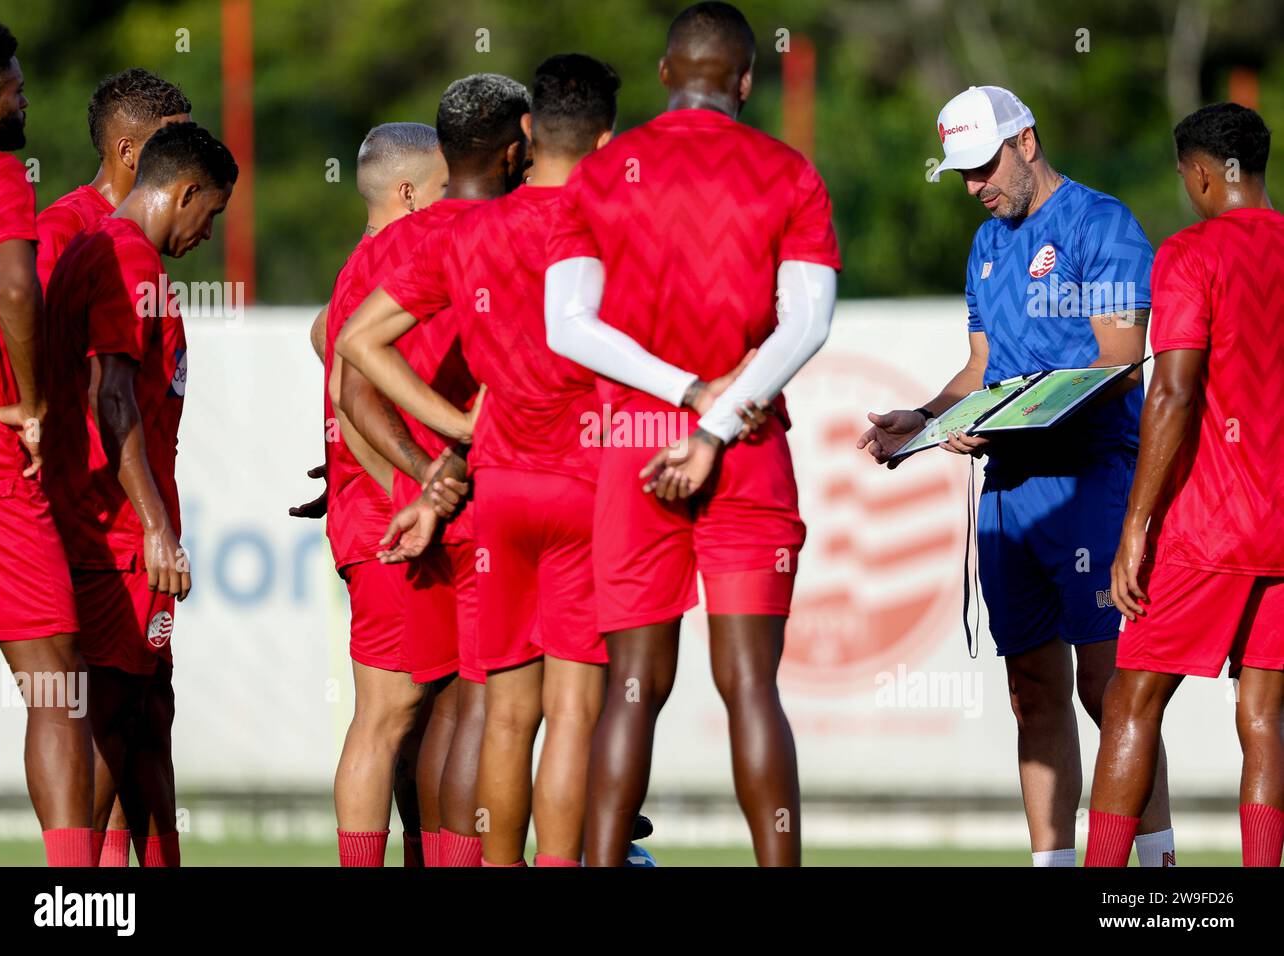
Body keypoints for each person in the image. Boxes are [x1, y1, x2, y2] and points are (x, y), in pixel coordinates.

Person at [541, 2, 841, 867]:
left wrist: (679, 395)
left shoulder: (601, 175)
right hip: (746, 445)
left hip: (632, 443)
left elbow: (568, 325)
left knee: (631, 691)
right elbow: (806, 328)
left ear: (667, 74)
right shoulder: (788, 172)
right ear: (746, 81)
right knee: (751, 685)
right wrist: (713, 420)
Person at [858, 84, 1174, 866]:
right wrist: (926, 419)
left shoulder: (1103, 224)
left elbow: (1119, 361)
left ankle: (1158, 866)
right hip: (1007, 489)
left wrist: (1010, 416)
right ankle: (1052, 862)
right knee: (1030, 689)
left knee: (1109, 691)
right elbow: (979, 368)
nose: (975, 187)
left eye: (983, 166)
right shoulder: (986, 243)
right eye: (961, 174)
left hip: (1090, 480)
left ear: (1026, 141)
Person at [335, 73, 530, 867]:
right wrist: (446, 446)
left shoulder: (377, 251)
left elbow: (338, 348)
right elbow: (351, 368)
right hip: (449, 501)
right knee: (464, 708)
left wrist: (365, 457)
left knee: (431, 710)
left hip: (402, 496)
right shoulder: (504, 231)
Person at [1086, 103, 1284, 868]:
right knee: (1265, 717)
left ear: (1202, 174)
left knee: (1130, 699)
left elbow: (1170, 393)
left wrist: (1136, 525)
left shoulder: (1190, 253)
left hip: (1209, 524)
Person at [42, 120, 237, 867]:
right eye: (210, 213)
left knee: (145, 715)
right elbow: (112, 394)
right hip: (119, 535)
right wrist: (158, 529)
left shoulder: (97, 248)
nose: (208, 234)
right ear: (185, 191)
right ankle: (77, 896)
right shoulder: (129, 257)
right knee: (114, 717)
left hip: (105, 525)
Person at [35, 64, 190, 869]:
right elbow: (94, 386)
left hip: (139, 515)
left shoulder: (146, 242)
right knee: (105, 705)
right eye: (174, 139)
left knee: (149, 709)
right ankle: (83, 894)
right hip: (102, 521)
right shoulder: (72, 230)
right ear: (129, 149)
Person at [312, 121, 465, 866]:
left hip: (368, 501)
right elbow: (349, 379)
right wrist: (405, 480)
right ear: (407, 192)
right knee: (388, 712)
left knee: (425, 710)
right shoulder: (412, 246)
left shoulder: (358, 260)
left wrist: (339, 456)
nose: (453, 199)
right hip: (389, 513)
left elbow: (324, 336)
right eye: (442, 187)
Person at [0, 16, 91, 868]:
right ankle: (71, 899)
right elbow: (18, 284)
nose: (24, 103)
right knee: (56, 682)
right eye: (15, 90)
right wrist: (30, 403)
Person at [36, 68, 191, 291]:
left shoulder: (146, 229)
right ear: (127, 151)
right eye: (175, 148)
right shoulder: (60, 227)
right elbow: (32, 321)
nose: (190, 160)